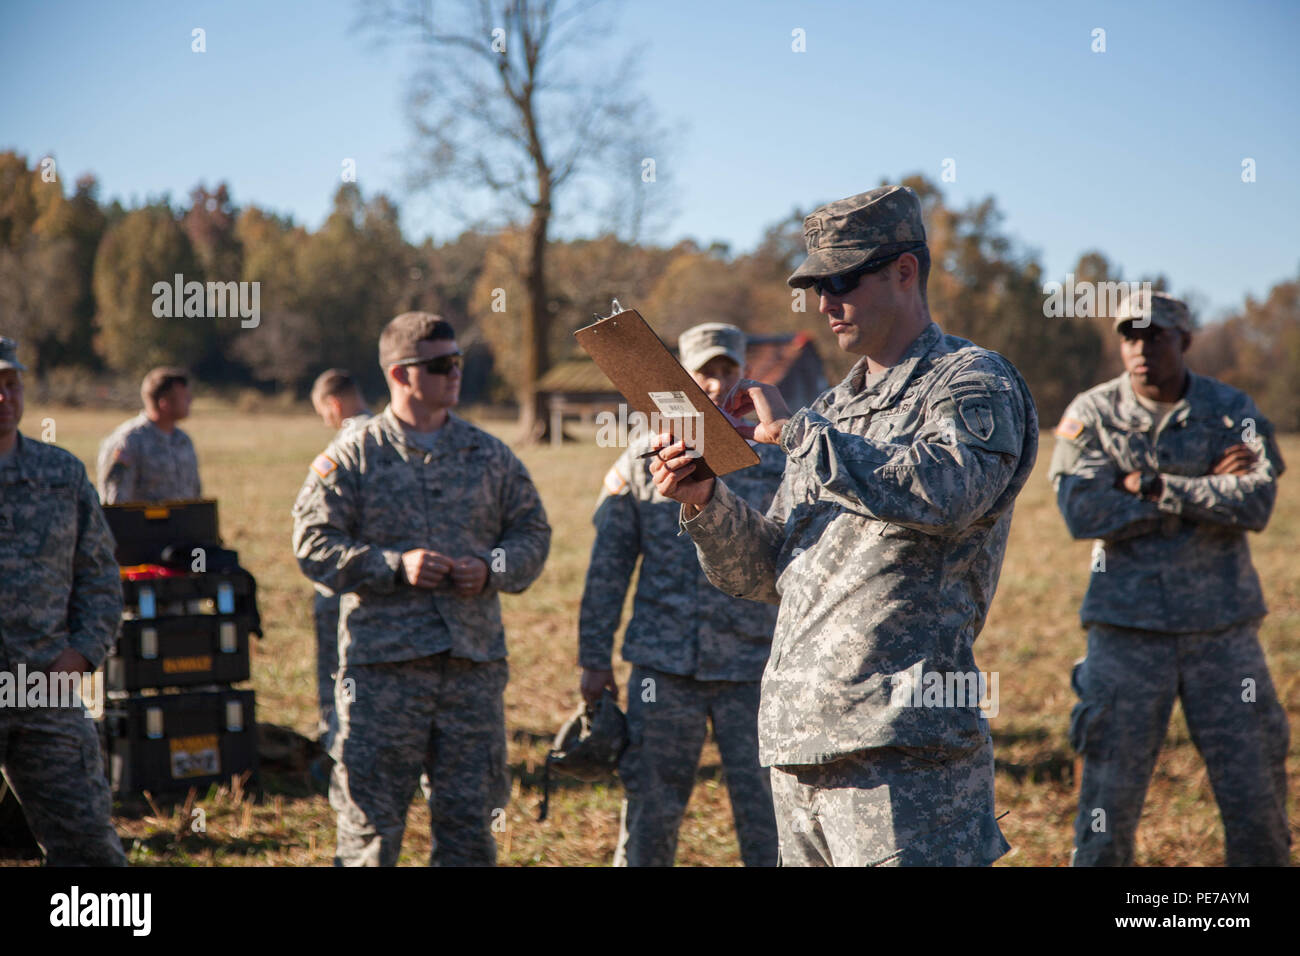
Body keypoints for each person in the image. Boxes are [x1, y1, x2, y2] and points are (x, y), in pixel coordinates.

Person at [649, 185, 1039, 866]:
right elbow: (768, 571)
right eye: (814, 285)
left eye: (841, 281)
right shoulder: (832, 409)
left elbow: (949, 491)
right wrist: (707, 502)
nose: (824, 302)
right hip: (798, 743)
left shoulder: (970, 381)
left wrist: (803, 438)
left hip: (902, 753)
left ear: (904, 271)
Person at [292, 312, 551, 866]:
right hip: (383, 677)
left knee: (469, 838)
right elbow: (312, 544)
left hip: (471, 677)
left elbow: (532, 532)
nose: (455, 373)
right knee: (369, 837)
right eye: (439, 365)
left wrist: (492, 566)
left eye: (458, 361)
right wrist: (392, 565)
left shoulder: (491, 455)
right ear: (399, 374)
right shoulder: (354, 454)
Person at [1048, 290, 1290, 866]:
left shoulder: (1236, 411)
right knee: (1105, 816)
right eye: (1129, 336)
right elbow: (1083, 514)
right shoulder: (1093, 413)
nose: (1140, 347)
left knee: (1257, 808)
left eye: (1155, 335)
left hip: (1224, 635)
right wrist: (1208, 488)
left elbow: (1255, 504)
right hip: (1125, 635)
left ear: (1184, 340)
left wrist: (1151, 485)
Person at [579, 322, 784, 867]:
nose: (716, 385)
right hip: (664, 672)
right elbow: (608, 569)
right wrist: (593, 660)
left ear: (741, 374)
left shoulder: (775, 456)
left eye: (727, 371)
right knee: (650, 815)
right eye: (703, 374)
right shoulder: (646, 460)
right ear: (680, 380)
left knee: (771, 819)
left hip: (754, 670)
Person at [0, 336, 126, 866]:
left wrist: (82, 655)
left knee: (88, 849)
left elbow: (100, 578)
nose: (4, 397)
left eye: (11, 384)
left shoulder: (61, 475)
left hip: (44, 686)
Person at [306, 369, 372, 760]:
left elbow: (314, 529)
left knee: (337, 671)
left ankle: (336, 746)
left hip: (344, 584)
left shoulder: (345, 444)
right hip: (386, 582)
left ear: (333, 405)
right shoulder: (391, 436)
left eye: (323, 414)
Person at [97, 366, 201, 504]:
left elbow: (194, 494)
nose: (190, 401)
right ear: (164, 403)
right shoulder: (128, 441)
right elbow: (115, 502)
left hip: (182, 524)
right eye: (184, 397)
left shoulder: (183, 440)